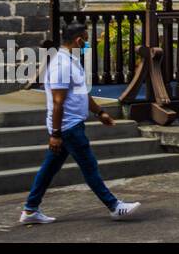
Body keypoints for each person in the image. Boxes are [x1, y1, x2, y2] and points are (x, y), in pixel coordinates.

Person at [19, 22, 141, 224]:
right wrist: (56, 134)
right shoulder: (61, 65)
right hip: (68, 128)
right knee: (89, 166)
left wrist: (100, 112)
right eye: (85, 39)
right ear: (78, 40)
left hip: (69, 125)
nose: (86, 43)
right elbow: (58, 103)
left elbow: (82, 92)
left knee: (49, 168)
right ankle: (114, 206)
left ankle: (31, 210)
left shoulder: (71, 61)